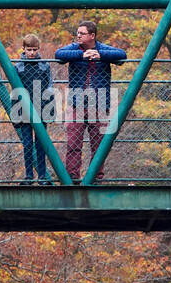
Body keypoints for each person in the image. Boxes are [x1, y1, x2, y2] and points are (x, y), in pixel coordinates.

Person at [55, 20, 127, 182]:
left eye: (82, 33)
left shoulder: (102, 49)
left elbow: (121, 54)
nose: (78, 36)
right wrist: (82, 55)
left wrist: (100, 55)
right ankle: (72, 178)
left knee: (99, 146)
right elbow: (58, 54)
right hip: (76, 105)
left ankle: (96, 177)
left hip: (100, 105)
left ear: (92, 35)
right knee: (73, 144)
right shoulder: (74, 49)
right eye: (78, 33)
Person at [12, 34, 56, 184]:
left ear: (39, 49)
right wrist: (15, 114)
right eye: (29, 49)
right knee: (27, 144)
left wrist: (50, 110)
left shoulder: (44, 65)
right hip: (24, 109)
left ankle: (42, 176)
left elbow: (50, 86)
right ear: (23, 49)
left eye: (34, 49)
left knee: (41, 143)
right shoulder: (18, 66)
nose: (32, 53)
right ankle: (29, 175)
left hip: (41, 108)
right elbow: (15, 91)